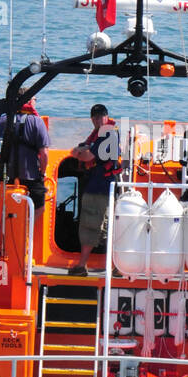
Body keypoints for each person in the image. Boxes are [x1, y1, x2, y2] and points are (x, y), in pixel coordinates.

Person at [70, 103, 121, 275]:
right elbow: (84, 149)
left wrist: (78, 152)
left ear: (107, 117)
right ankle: (115, 266)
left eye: (101, 116)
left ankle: (82, 266)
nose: (98, 120)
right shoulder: (101, 135)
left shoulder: (107, 135)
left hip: (99, 187)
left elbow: (87, 156)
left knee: (91, 226)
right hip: (103, 187)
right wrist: (81, 149)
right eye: (95, 117)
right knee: (104, 227)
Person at [0, 90, 50, 215]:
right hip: (31, 176)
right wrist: (42, 173)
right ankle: (27, 227)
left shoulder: (4, 120)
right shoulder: (37, 122)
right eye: (34, 99)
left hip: (6, 176)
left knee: (4, 207)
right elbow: (44, 154)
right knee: (40, 208)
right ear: (29, 101)